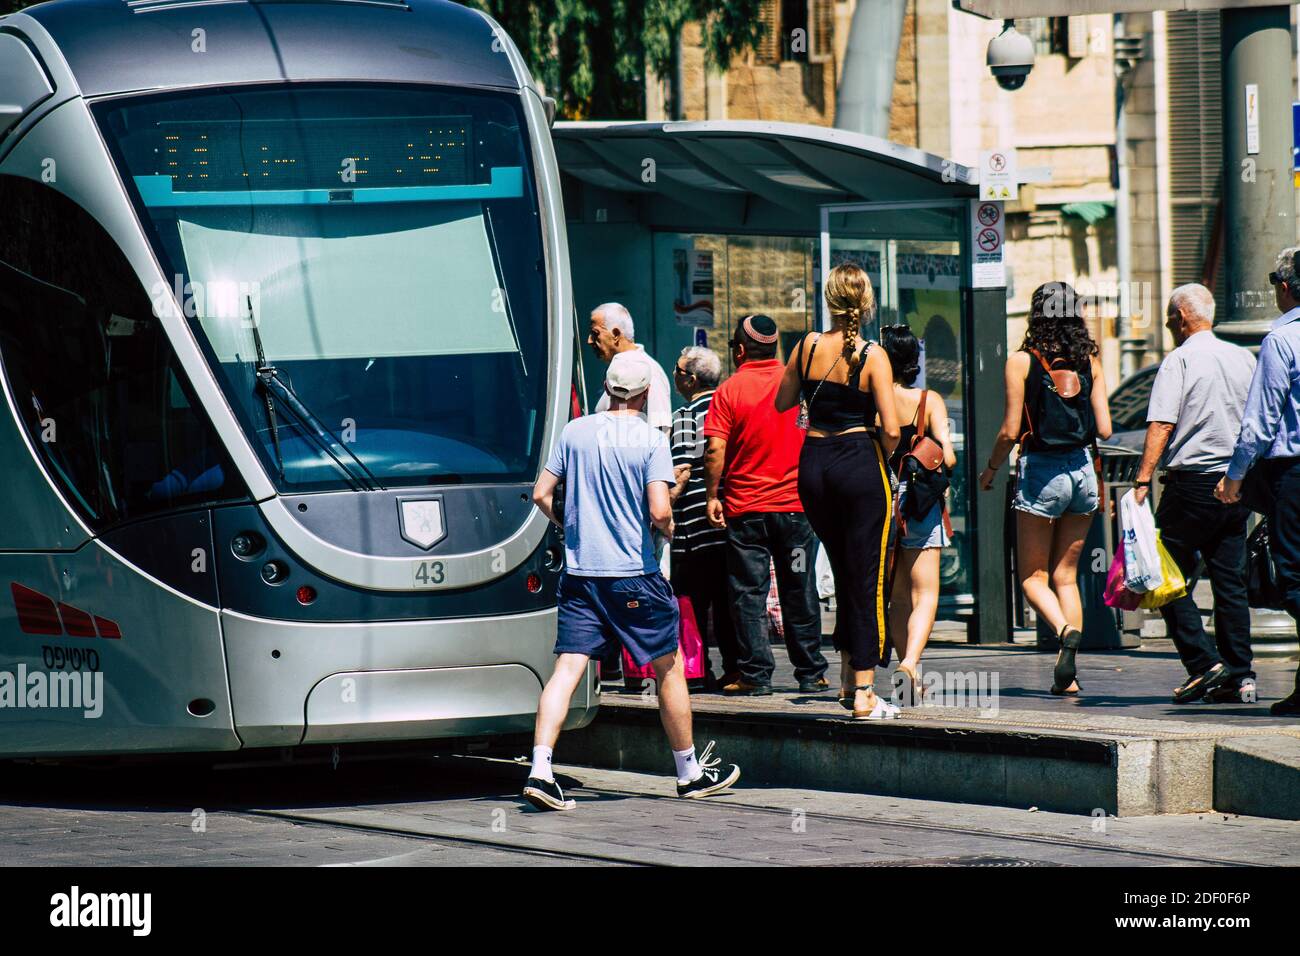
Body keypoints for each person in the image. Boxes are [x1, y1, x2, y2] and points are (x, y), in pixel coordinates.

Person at [526, 350, 741, 810]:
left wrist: (569, 526)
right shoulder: (649, 439)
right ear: (644, 393)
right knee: (668, 668)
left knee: (567, 669)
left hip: (582, 574)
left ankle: (541, 770)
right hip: (632, 575)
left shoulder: (575, 431)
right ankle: (688, 772)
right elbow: (660, 510)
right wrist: (668, 525)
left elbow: (542, 494)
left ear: (607, 389)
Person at [775, 267, 901, 719]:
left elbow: (782, 402)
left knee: (845, 572)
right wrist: (882, 459)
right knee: (864, 576)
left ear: (828, 300)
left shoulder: (807, 345)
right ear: (866, 303)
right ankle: (865, 688)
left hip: (813, 467)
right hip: (857, 462)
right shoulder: (873, 355)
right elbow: (890, 427)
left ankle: (848, 678)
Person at [979, 282, 1112, 697]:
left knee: (1033, 578)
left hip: (1042, 474)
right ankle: (1068, 679)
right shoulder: (1089, 359)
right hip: (1083, 471)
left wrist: (990, 470)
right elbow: (1105, 428)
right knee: (1066, 577)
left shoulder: (1021, 361)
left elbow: (1009, 430)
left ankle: (1065, 631)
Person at [1134, 284, 1256, 704]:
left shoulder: (1180, 359)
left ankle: (1204, 664)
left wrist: (1140, 480)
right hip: (1237, 483)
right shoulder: (1243, 357)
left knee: (1163, 575)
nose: (1168, 324)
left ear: (1182, 318)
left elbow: (1162, 424)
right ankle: (1241, 675)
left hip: (1192, 485)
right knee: (1230, 583)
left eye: (1170, 317)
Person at [703, 314, 830, 696]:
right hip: (795, 512)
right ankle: (811, 672)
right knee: (799, 587)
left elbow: (714, 449)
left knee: (749, 593)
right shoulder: (798, 386)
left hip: (747, 515)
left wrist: (712, 494)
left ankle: (756, 676)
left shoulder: (728, 391)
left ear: (740, 351)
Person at [1217, 246, 1300, 718]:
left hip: (1294, 474)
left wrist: (1234, 477)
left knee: (1291, 576)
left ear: (1285, 288)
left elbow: (1260, 420)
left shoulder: (1281, 340)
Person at [880, 323, 956, 704]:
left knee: (896, 596)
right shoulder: (929, 400)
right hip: (921, 503)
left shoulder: (871, 400)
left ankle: (906, 675)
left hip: (882, 499)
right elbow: (949, 455)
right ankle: (910, 664)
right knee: (925, 593)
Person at [669, 346, 739, 690]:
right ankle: (735, 668)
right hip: (731, 519)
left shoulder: (685, 415)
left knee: (694, 602)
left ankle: (697, 671)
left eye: (677, 370)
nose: (674, 376)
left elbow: (680, 471)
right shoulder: (729, 408)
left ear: (691, 379)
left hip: (697, 526)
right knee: (728, 601)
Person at [588, 302, 672, 432]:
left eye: (595, 333)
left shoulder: (649, 371)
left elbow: (661, 430)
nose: (589, 341)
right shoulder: (617, 367)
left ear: (615, 334)